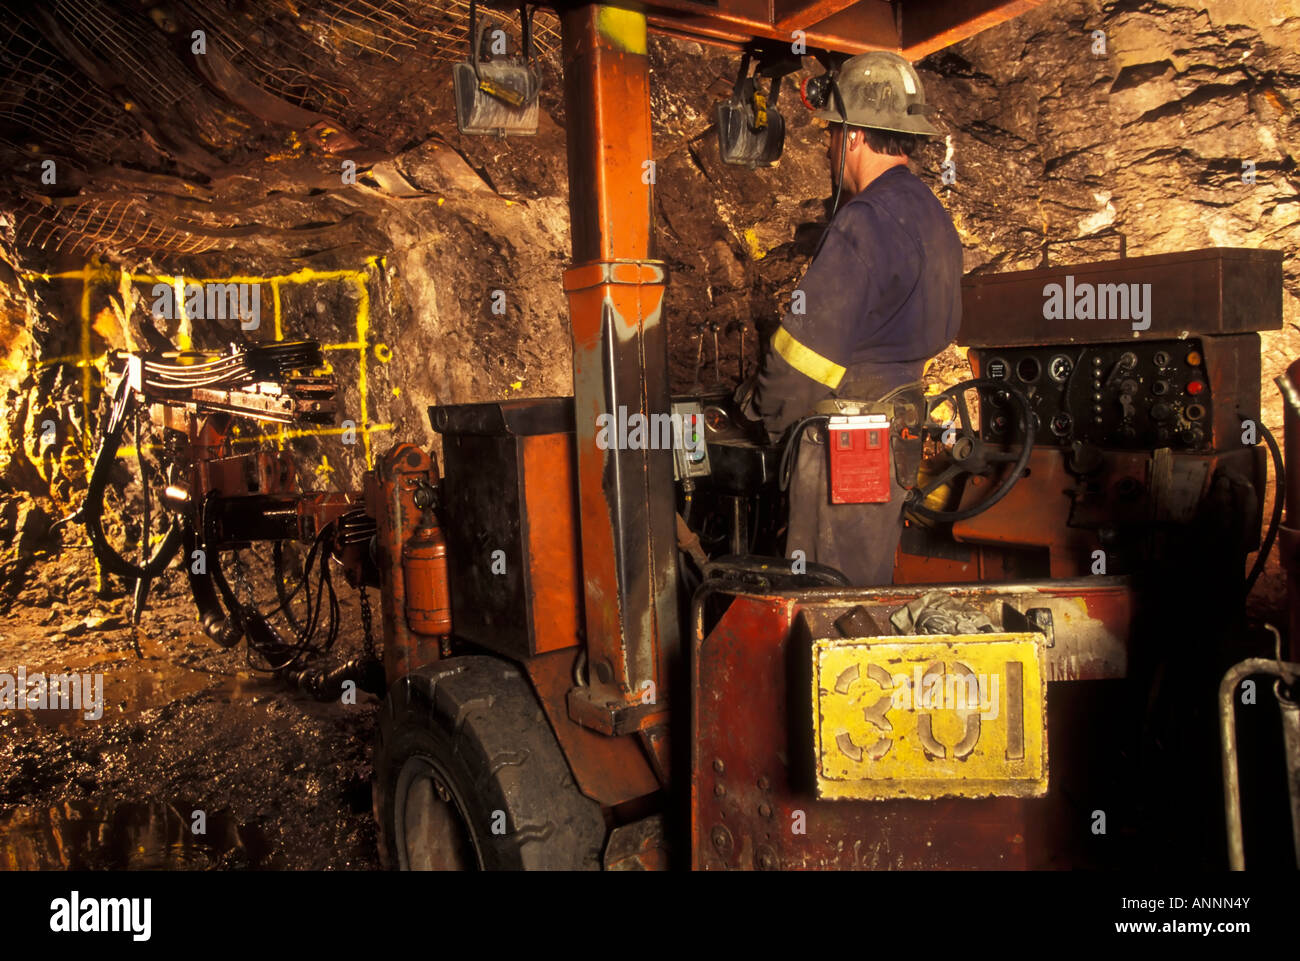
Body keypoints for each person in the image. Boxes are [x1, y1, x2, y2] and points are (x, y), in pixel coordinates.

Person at [745, 51, 963, 587]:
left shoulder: (863, 222)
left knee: (825, 594)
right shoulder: (933, 216)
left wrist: (761, 413)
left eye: (831, 133)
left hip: (844, 439)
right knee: (864, 585)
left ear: (855, 137)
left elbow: (801, 358)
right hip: (896, 437)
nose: (828, 146)